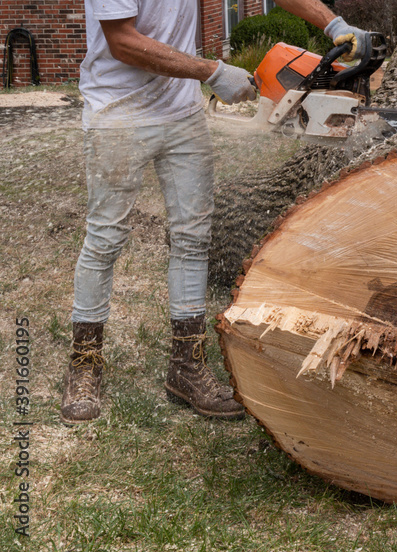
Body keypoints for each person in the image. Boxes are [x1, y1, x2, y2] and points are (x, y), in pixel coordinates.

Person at [61, 0, 371, 424]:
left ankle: (186, 366)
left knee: (193, 239)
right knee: (105, 238)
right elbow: (122, 42)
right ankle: (84, 361)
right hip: (117, 113)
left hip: (182, 115)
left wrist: (333, 23)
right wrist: (211, 71)